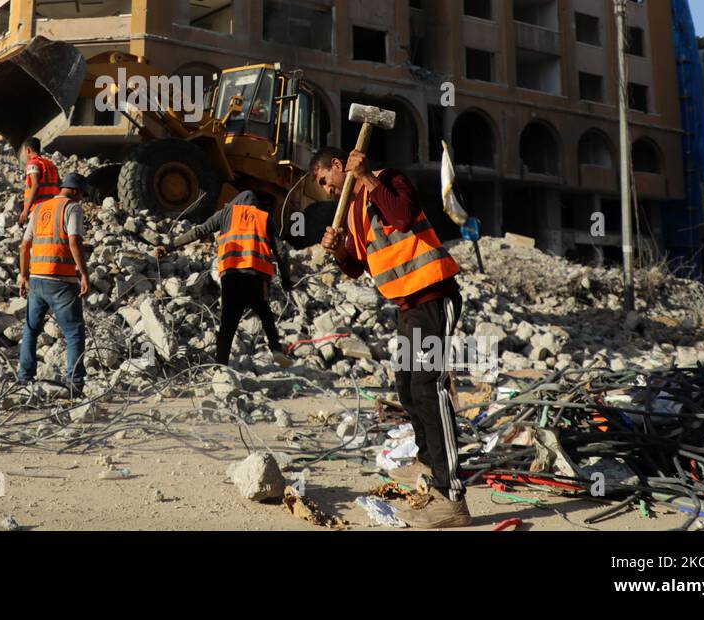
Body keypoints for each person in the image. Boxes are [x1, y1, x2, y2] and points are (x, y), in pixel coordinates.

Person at [311, 145, 469, 528]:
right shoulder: (352, 211)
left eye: (324, 180)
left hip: (434, 296)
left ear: (337, 166)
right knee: (408, 388)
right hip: (408, 307)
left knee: (430, 389)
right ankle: (428, 464)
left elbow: (401, 215)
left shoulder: (388, 179)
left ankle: (453, 498)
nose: (326, 189)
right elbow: (357, 265)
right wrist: (338, 252)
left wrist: (365, 177)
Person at [155, 191, 294, 369]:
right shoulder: (264, 217)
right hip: (256, 277)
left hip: (232, 276)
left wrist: (170, 246)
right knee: (265, 314)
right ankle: (276, 350)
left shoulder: (226, 213)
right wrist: (286, 279)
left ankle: (220, 366)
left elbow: (199, 231)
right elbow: (281, 251)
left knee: (228, 323)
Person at [17, 172, 90, 393]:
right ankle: (75, 383)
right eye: (82, 195)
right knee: (74, 331)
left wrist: (23, 275)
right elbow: (74, 241)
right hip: (62, 280)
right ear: (76, 191)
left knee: (31, 330)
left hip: (37, 279)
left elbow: (24, 245)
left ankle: (24, 379)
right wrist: (84, 275)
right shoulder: (72, 207)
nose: (81, 199)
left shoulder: (38, 208)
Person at [18, 136, 60, 225]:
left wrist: (25, 211)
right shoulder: (50, 164)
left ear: (28, 150)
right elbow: (59, 185)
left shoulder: (33, 163)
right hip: (52, 208)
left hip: (38, 208)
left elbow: (35, 185)